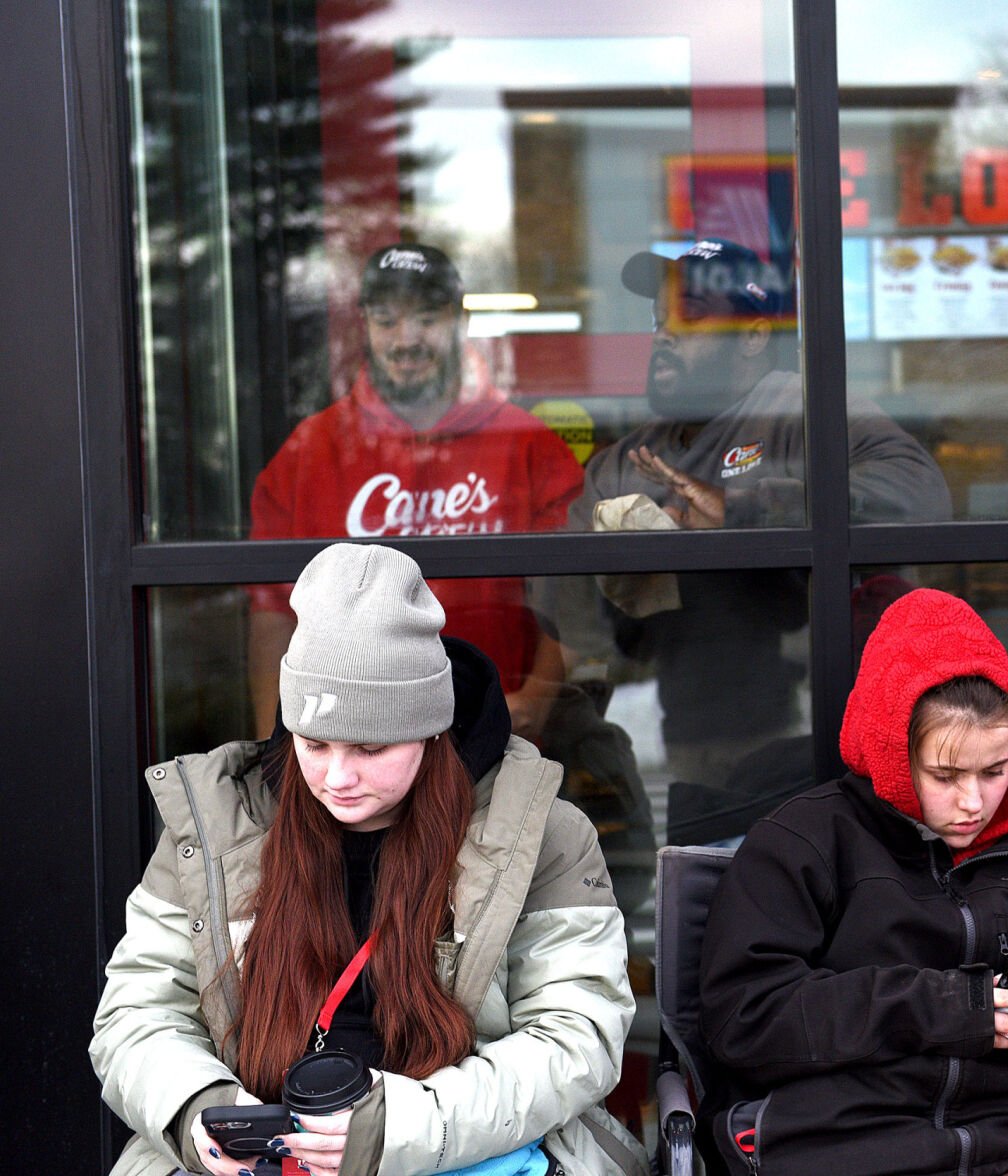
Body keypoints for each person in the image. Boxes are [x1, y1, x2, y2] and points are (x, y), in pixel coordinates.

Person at [91, 543, 641, 1176]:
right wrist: (199, 1111)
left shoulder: (539, 833)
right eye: (314, 742)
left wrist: (397, 1130)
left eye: (371, 747)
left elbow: (577, 1038)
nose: (337, 776)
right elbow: (140, 1014)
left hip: (465, 1149)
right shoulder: (216, 825)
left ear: (432, 729)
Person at [696, 587, 1008, 1175]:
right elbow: (744, 1017)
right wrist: (951, 1009)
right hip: (843, 1148)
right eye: (944, 774)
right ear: (892, 754)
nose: (973, 802)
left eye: (994, 770)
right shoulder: (804, 842)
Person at [557, 238, 952, 785]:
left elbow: (919, 493)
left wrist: (745, 508)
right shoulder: (625, 461)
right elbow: (566, 596)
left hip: (813, 741)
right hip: (680, 747)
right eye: (659, 318)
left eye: (691, 315)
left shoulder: (802, 411)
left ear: (753, 335)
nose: (664, 333)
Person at [248, 243, 584, 746]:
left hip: (494, 738)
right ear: (363, 325)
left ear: (460, 319)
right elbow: (272, 611)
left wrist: (535, 701)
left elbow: (577, 593)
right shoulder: (308, 452)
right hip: (350, 750)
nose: (407, 340)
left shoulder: (528, 444)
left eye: (427, 318)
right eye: (386, 320)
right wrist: (275, 745)